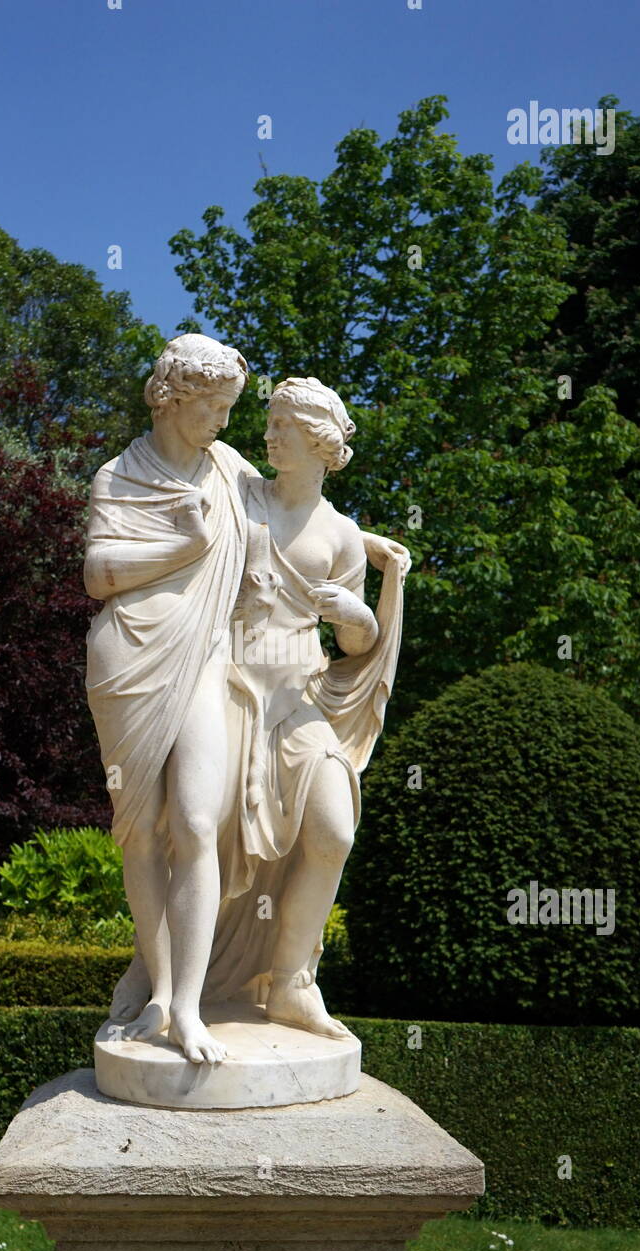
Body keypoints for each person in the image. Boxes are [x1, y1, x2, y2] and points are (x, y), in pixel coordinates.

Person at [201, 377, 408, 1036]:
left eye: (283, 424)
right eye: (268, 421)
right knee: (206, 838)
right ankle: (176, 982)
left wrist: (357, 613)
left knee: (334, 829)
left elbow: (358, 643)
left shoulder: (342, 538)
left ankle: (291, 981)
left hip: (298, 697)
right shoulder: (240, 497)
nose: (268, 434)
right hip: (228, 691)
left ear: (320, 440)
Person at [84, 334, 256, 1064]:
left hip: (206, 659)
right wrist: (182, 548)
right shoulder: (118, 477)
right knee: (143, 827)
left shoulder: (230, 471)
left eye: (229, 406)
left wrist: (359, 550)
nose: (221, 420)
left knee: (196, 818)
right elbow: (98, 573)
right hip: (128, 657)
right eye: (212, 406)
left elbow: (292, 509)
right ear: (172, 399)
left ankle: (188, 1006)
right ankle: (158, 987)